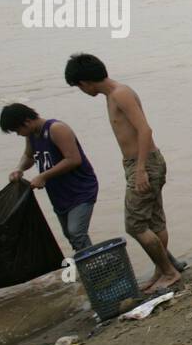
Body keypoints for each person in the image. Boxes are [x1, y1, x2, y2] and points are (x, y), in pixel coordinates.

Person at [65, 53, 180, 292]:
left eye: (79, 86)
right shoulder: (113, 95)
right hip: (142, 162)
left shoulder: (120, 94)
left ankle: (168, 271)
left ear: (86, 82)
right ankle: (163, 271)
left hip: (143, 162)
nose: (82, 91)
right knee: (154, 220)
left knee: (136, 225)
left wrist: (140, 170)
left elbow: (145, 130)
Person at [0, 103, 99, 252]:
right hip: (59, 194)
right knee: (70, 235)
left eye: (17, 130)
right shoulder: (31, 135)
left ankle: (95, 270)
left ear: (26, 121)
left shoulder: (56, 129)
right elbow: (29, 155)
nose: (18, 134)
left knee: (76, 232)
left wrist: (43, 176)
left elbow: (73, 159)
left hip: (80, 189)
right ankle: (92, 265)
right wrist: (19, 169)